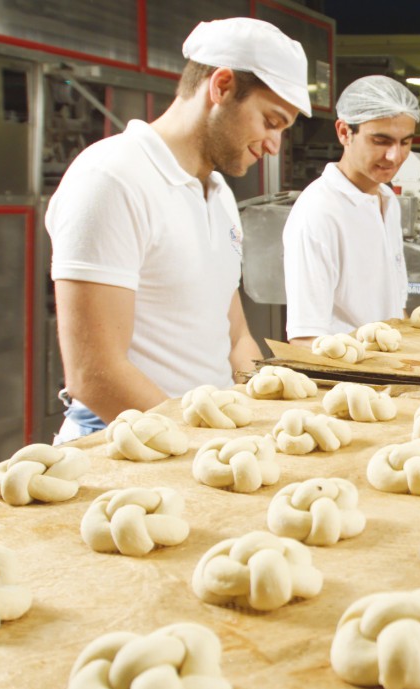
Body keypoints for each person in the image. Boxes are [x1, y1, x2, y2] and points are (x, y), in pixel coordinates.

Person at [45, 18, 310, 443]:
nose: (273, 144)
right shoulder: (112, 178)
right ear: (221, 87)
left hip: (202, 434)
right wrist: (198, 446)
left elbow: (235, 335)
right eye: (270, 121)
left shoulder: (220, 194)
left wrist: (270, 411)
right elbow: (95, 374)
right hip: (125, 442)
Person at [282, 75, 420, 345]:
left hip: (390, 372)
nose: (395, 156)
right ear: (345, 132)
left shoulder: (386, 198)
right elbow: (305, 338)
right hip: (350, 379)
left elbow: (393, 308)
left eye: (405, 142)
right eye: (381, 141)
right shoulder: (319, 212)